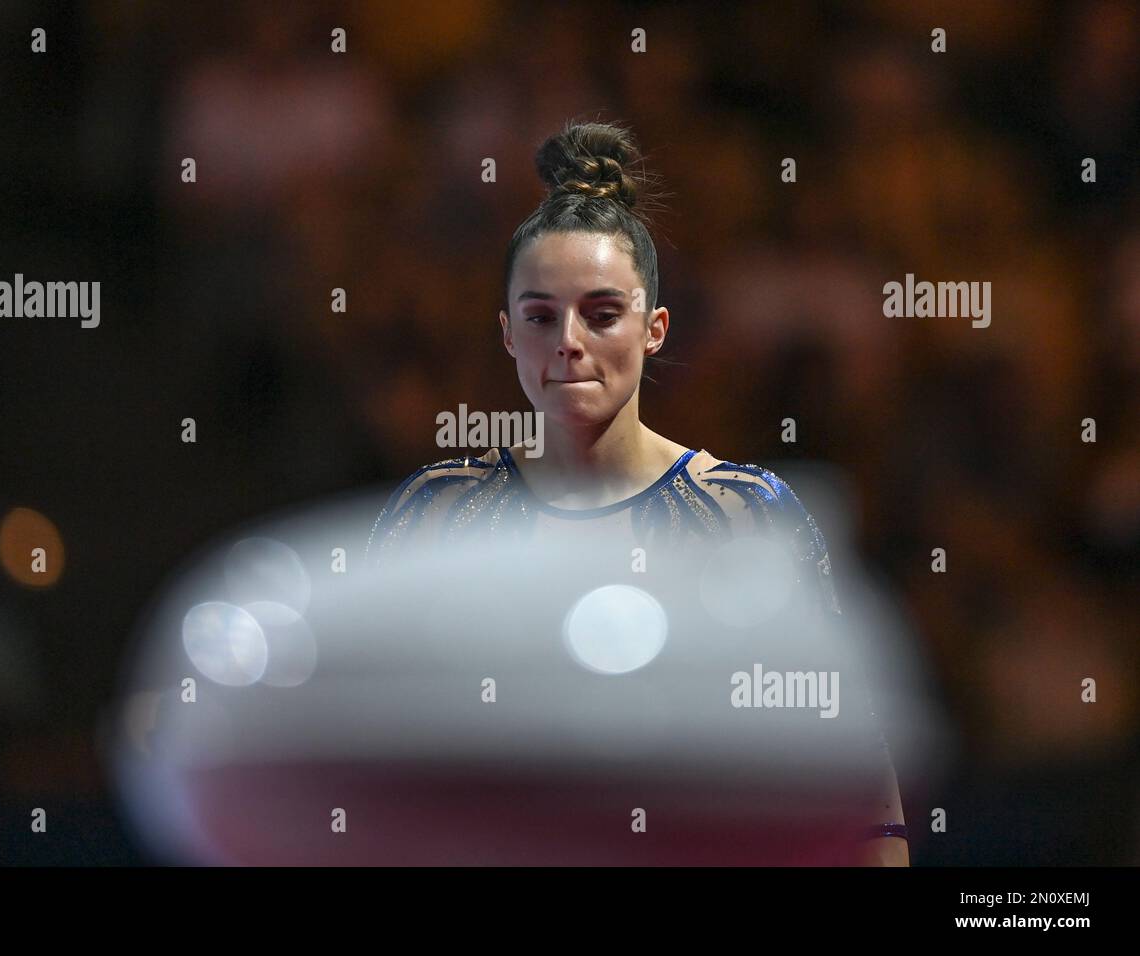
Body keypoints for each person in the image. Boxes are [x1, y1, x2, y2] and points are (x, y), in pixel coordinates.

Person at [365, 118, 908, 865]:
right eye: (540, 316)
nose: (569, 342)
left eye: (601, 313)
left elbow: (856, 777)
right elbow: (367, 760)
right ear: (506, 333)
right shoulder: (439, 514)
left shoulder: (743, 515)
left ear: (653, 329)